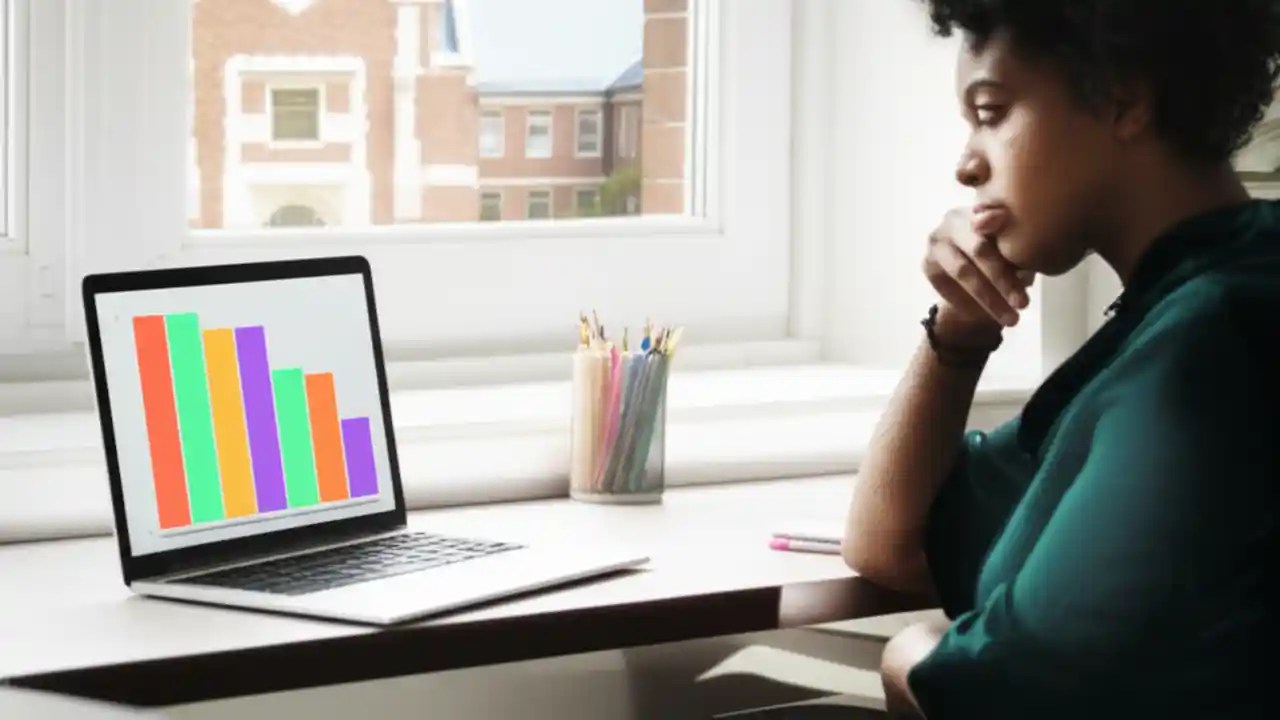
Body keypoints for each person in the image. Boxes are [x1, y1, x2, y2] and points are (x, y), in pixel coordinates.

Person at [837, 1, 1280, 718]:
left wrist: (909, 652)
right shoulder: (1182, 304)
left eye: (992, 111)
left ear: (1121, 99)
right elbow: (892, 543)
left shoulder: (1204, 343)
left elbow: (1003, 688)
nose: (966, 163)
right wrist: (960, 328)